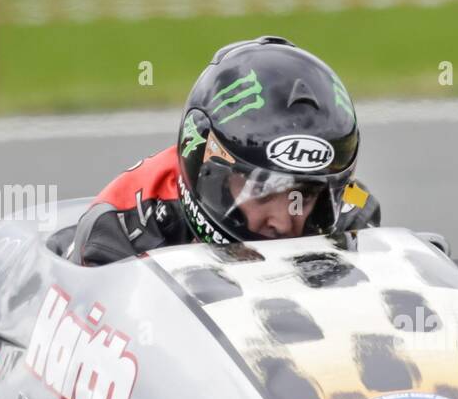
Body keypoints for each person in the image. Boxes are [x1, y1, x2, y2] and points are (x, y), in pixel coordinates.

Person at [54, 36, 380, 265]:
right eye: (262, 190)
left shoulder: (351, 212)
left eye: (304, 195)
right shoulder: (122, 228)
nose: (283, 222)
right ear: (206, 167)